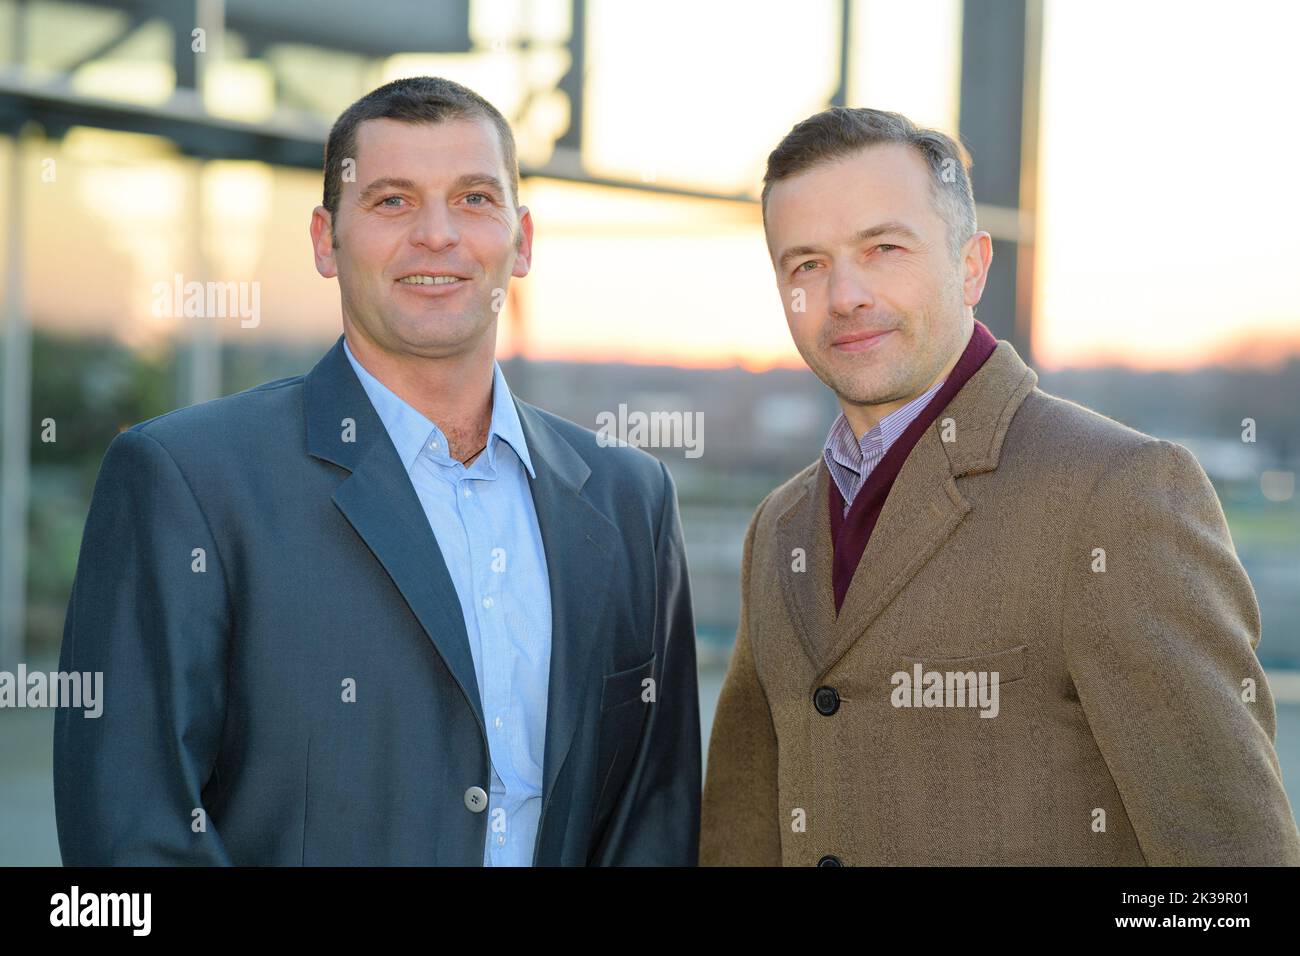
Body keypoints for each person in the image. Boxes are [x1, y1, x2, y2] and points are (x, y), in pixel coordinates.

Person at [54, 76, 700, 866]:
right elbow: (130, 835)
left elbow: (654, 818)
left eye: (473, 198)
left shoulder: (628, 499)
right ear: (326, 241)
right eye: (392, 201)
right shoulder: (186, 481)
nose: (437, 235)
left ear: (522, 239)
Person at [699, 106, 1300, 865]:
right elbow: (740, 834)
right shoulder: (778, 528)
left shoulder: (1116, 494)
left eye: (884, 248)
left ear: (972, 265)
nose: (844, 294)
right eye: (806, 264)